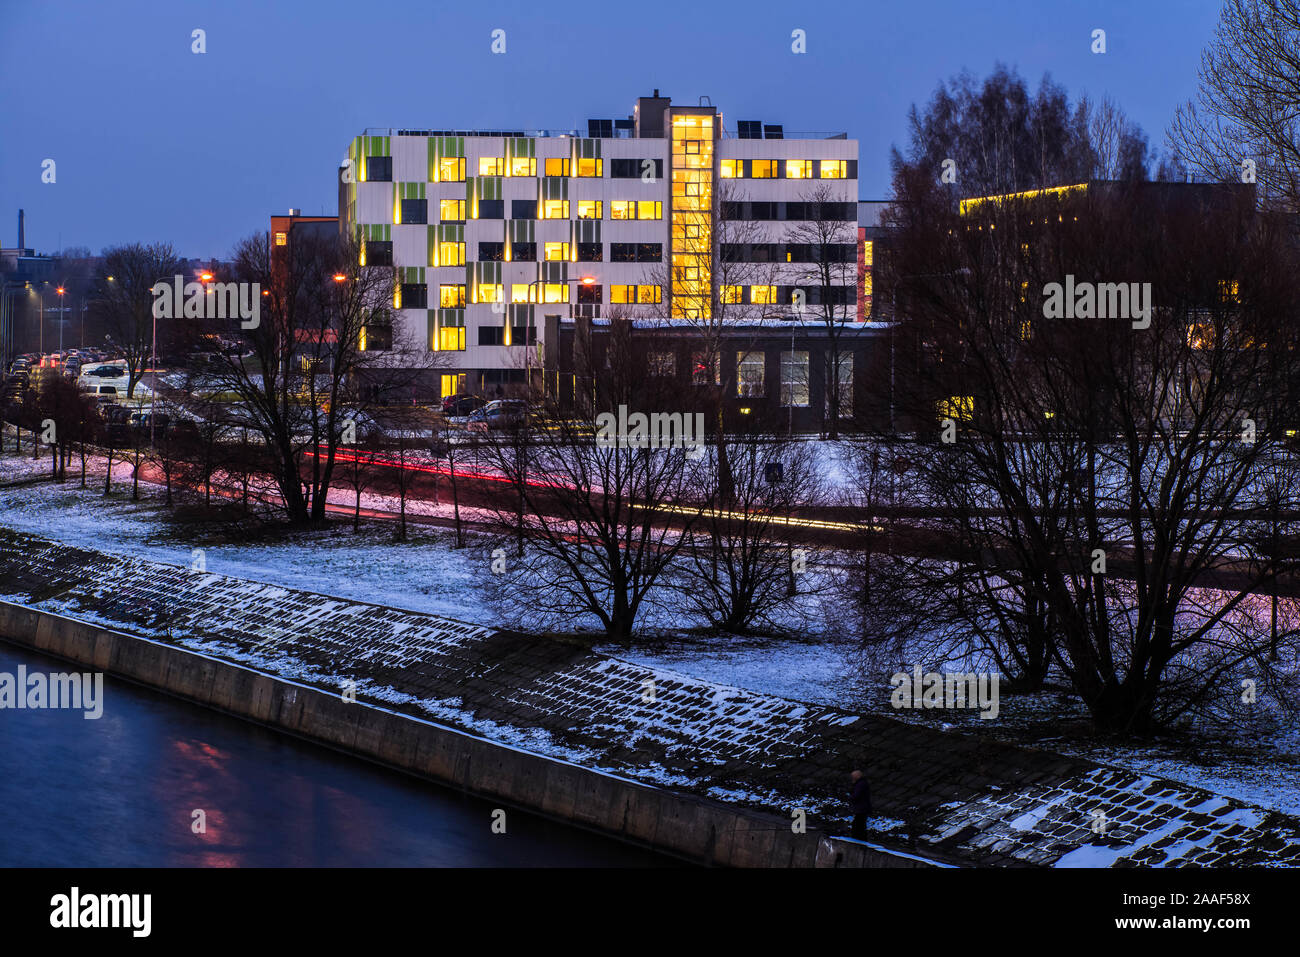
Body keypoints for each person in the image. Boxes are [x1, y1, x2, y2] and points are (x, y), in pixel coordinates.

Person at [849, 769, 872, 839]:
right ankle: (860, 838)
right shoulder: (863, 783)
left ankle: (858, 838)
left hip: (861, 808)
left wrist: (850, 797)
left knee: (858, 824)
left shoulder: (860, 784)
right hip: (864, 807)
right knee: (861, 824)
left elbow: (856, 795)